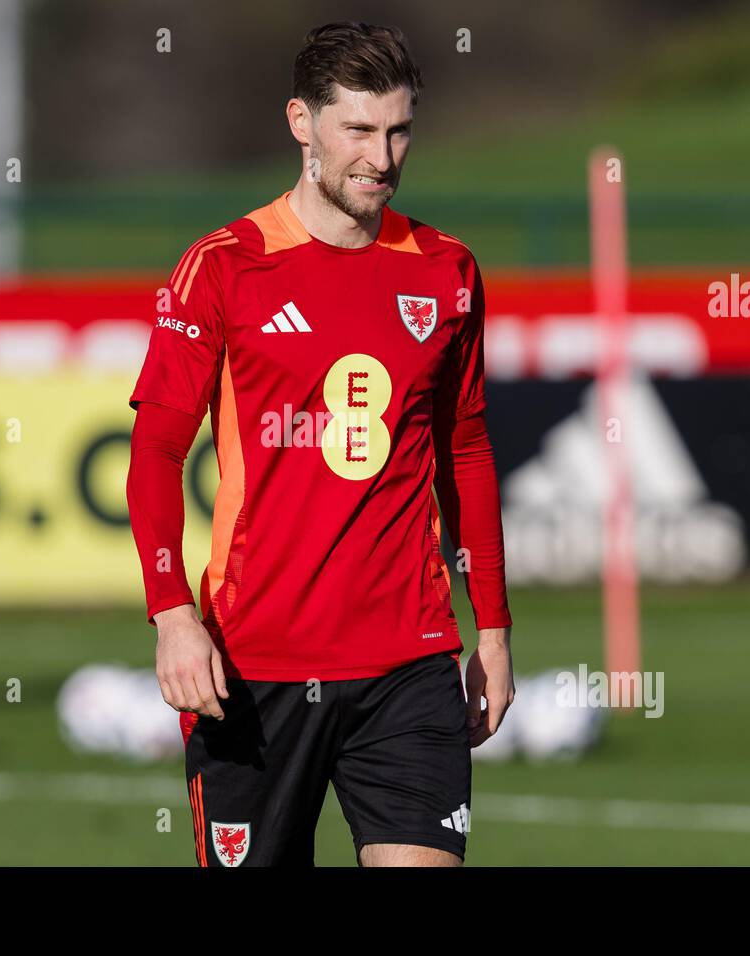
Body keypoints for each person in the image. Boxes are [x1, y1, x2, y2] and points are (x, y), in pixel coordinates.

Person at [126, 23, 513, 867]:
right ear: (301, 123)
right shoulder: (224, 267)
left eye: (400, 129)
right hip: (253, 666)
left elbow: (467, 451)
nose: (383, 156)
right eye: (360, 131)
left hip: (406, 662)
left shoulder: (445, 271)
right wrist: (172, 616)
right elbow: (156, 450)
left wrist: (492, 630)